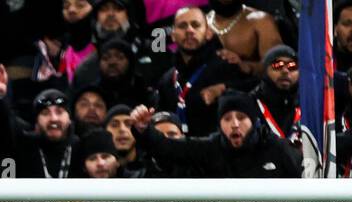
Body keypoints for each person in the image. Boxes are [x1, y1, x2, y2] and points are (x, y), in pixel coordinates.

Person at [129, 93, 302, 178]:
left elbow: (305, 184)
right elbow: (169, 148)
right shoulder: (211, 148)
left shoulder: (277, 148)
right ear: (219, 124)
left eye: (241, 118)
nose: (234, 124)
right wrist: (144, 130)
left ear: (254, 121)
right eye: (227, 119)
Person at [153, 5, 241, 137]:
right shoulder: (167, 80)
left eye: (196, 25)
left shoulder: (226, 67)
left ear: (208, 33)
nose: (189, 30)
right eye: (182, 26)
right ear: (173, 35)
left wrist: (224, 88)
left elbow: (252, 91)